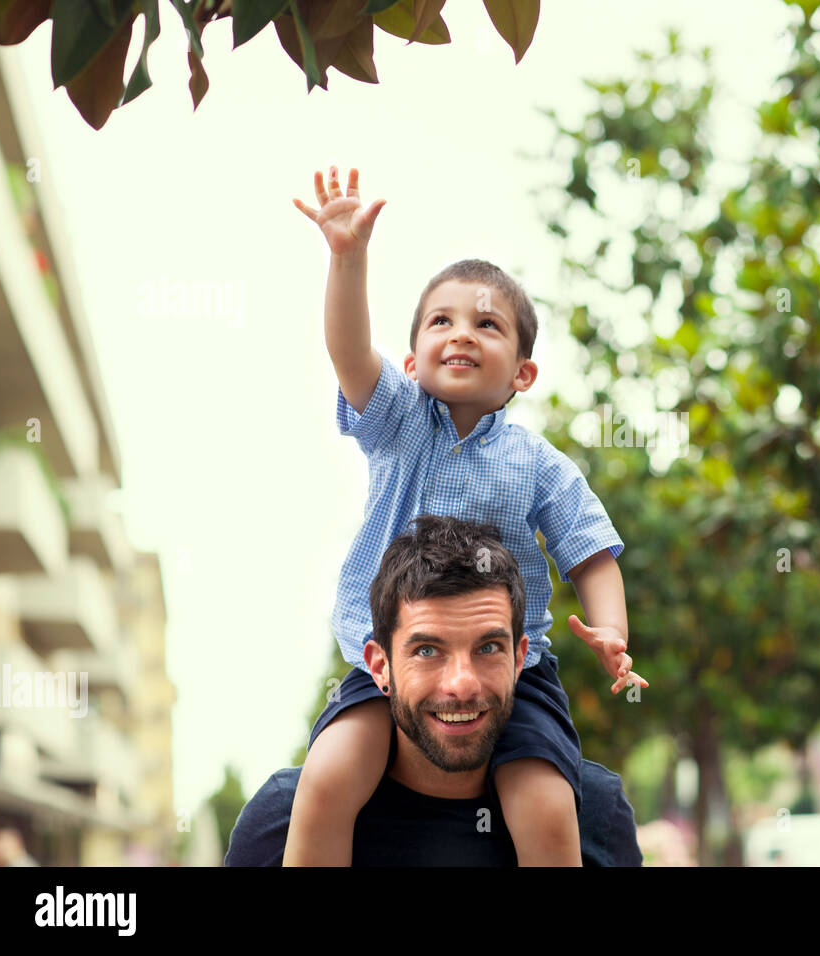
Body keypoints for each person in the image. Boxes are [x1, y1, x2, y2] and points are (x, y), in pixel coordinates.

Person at [286, 166, 648, 866]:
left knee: (545, 802)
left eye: (488, 325)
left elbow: (591, 554)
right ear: (413, 359)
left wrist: (611, 633)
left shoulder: (539, 463)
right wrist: (347, 258)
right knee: (328, 780)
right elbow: (349, 351)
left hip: (511, 669)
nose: (463, 334)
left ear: (523, 373)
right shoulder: (397, 420)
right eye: (442, 322)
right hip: (391, 657)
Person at [226, 515, 642, 866]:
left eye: (488, 647)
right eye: (427, 650)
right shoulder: (282, 819)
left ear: (520, 660)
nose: (462, 684)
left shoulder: (595, 815)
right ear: (379, 665)